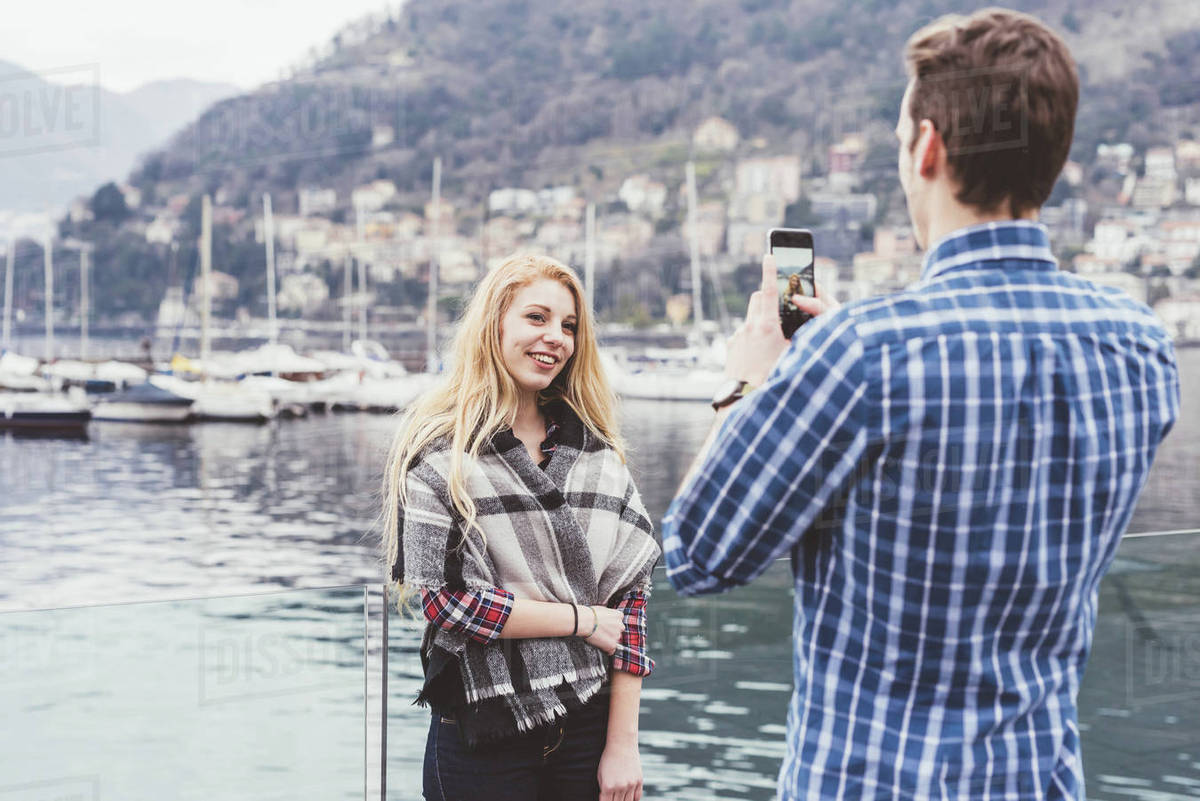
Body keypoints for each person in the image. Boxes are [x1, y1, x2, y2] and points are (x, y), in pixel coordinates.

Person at [662, 9, 1179, 801]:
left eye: (903, 139)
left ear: (928, 146)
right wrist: (835, 376)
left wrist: (751, 383)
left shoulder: (867, 353)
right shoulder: (1139, 346)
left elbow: (698, 553)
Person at [383, 253, 660, 801]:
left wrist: (623, 745)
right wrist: (582, 620)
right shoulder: (439, 453)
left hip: (589, 722)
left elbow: (631, 608)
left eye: (569, 326)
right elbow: (447, 604)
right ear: (494, 326)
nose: (555, 337)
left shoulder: (597, 456)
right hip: (482, 727)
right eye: (536, 318)